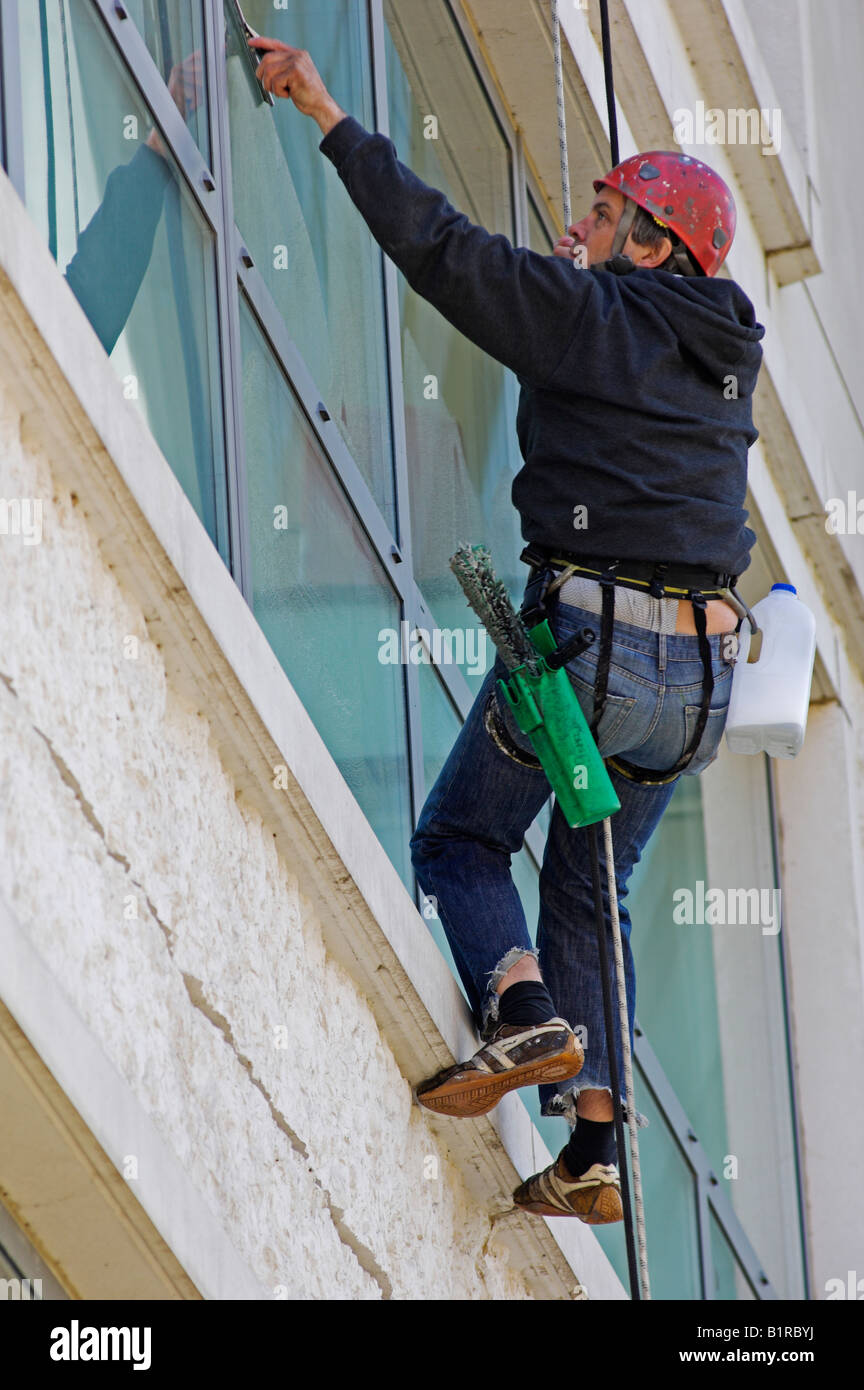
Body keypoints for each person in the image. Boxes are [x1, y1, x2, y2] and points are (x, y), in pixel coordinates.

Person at [248, 36, 765, 1224]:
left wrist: (327, 108)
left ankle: (523, 1016)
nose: (575, 230)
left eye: (598, 215)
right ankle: (594, 1146)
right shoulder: (724, 366)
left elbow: (438, 250)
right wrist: (574, 298)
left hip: (585, 647)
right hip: (692, 687)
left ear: (651, 244)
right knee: (594, 886)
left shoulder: (587, 312)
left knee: (463, 842)